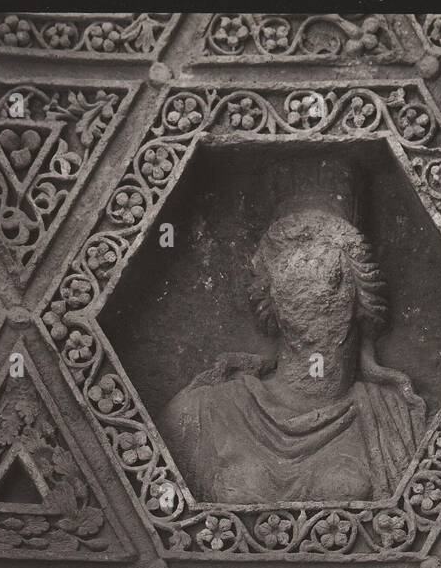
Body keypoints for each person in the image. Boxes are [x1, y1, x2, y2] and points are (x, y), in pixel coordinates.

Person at [162, 209, 424, 504]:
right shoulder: (199, 413)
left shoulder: (396, 421)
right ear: (272, 302)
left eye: (331, 282)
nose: (312, 295)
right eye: (294, 283)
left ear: (360, 302)